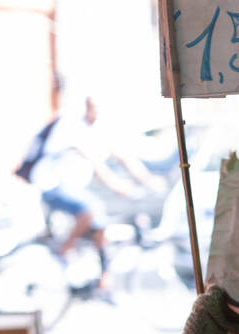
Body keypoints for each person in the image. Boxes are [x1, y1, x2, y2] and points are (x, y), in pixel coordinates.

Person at [23, 97, 165, 287]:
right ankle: (63, 252)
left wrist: (148, 180)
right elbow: (96, 165)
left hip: (74, 186)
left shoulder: (98, 130)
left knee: (100, 227)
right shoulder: (71, 126)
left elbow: (123, 156)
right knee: (91, 209)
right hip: (50, 184)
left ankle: (101, 280)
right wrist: (118, 185)